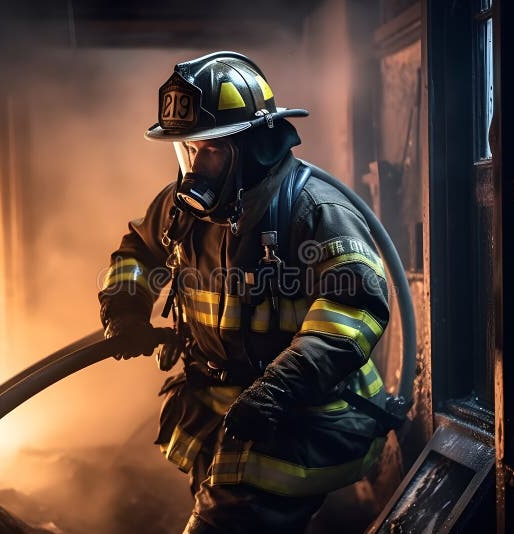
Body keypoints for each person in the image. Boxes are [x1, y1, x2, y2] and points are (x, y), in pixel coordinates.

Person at [98, 51, 391, 533]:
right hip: (216, 413)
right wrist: (125, 306)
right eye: (185, 150)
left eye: (209, 149)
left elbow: (353, 312)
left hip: (298, 420)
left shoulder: (314, 212)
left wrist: (278, 388)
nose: (194, 168)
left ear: (253, 146)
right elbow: (138, 252)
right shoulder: (182, 210)